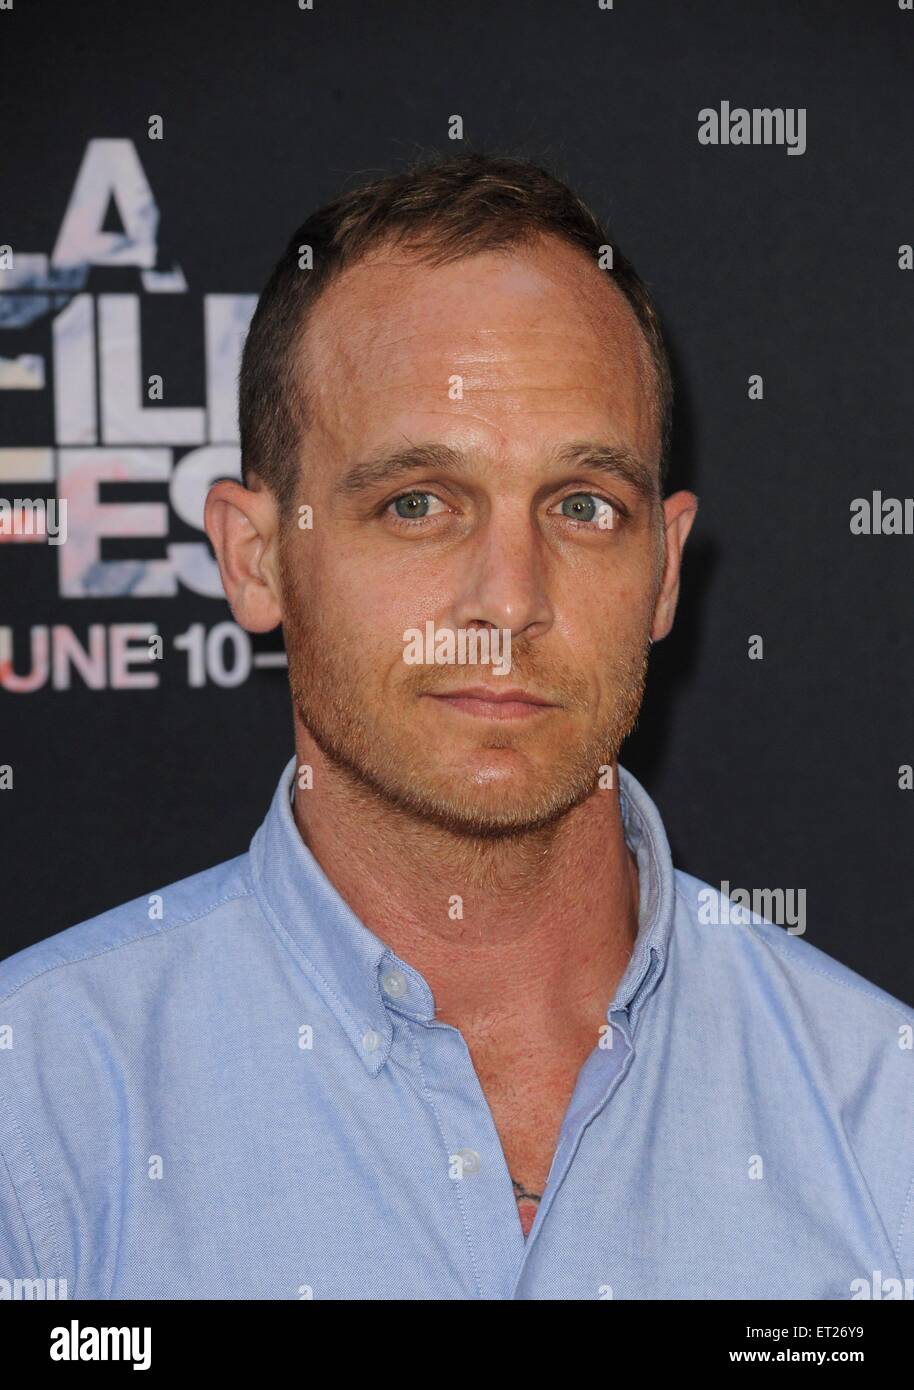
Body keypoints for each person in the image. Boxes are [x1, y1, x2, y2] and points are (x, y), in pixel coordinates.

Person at [2, 152, 912, 1301]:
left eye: (583, 506)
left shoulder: (880, 1121)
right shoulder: (35, 1113)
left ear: (665, 568)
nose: (509, 599)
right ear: (255, 554)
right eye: (417, 503)